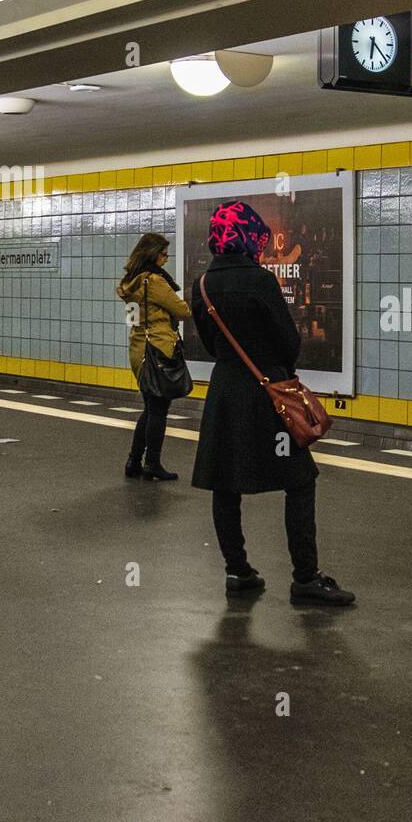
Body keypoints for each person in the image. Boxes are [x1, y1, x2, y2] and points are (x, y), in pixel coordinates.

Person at [190, 200, 354, 606]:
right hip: (267, 393)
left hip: (226, 391)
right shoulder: (261, 282)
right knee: (299, 480)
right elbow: (289, 343)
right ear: (250, 237)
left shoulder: (203, 285)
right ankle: (305, 577)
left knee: (225, 485)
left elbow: (211, 345)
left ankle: (237, 570)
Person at [117, 232, 191, 481]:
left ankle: (134, 461)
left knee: (151, 408)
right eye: (163, 253)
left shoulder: (132, 281)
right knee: (159, 409)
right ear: (152, 253)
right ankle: (152, 464)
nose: (166, 259)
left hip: (139, 348)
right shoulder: (154, 282)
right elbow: (182, 310)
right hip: (158, 348)